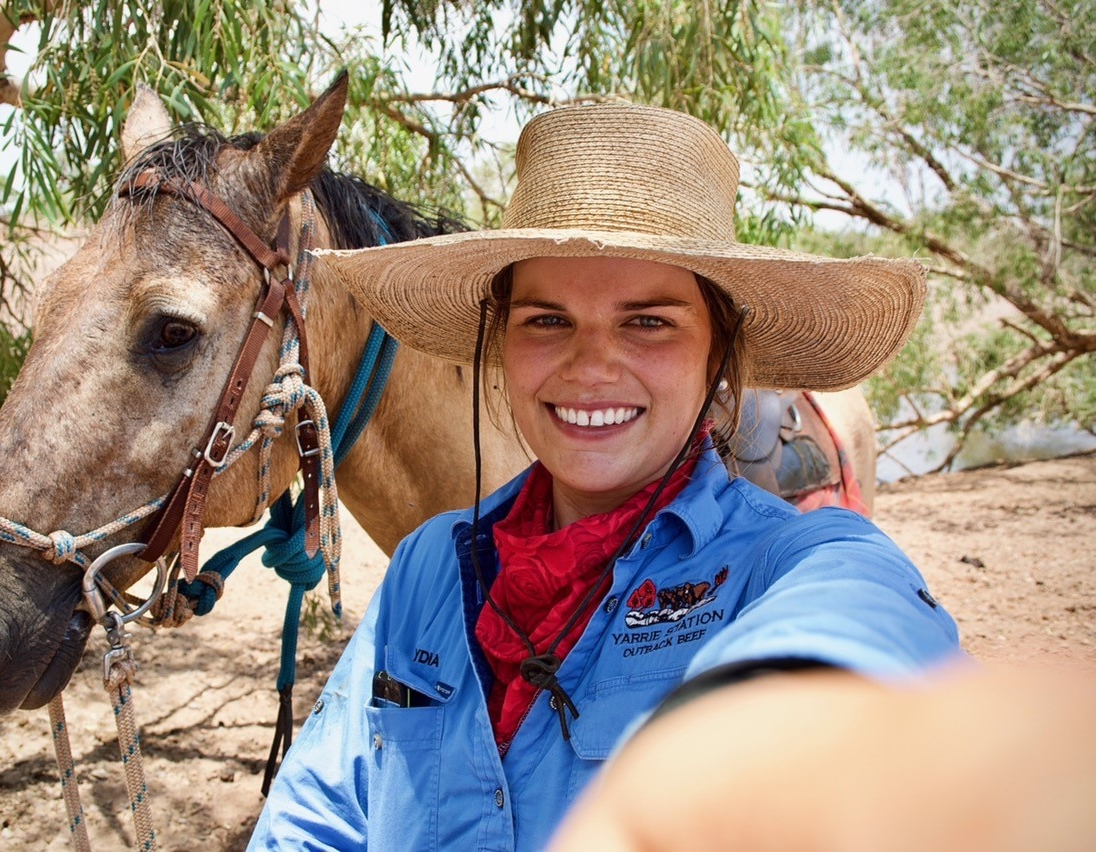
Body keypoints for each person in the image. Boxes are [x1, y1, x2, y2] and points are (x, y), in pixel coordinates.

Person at [246, 102, 961, 850]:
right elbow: (318, 813)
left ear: (716, 352)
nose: (590, 367)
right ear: (501, 342)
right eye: (547, 321)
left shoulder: (792, 564)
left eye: (648, 322)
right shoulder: (427, 566)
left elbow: (869, 628)